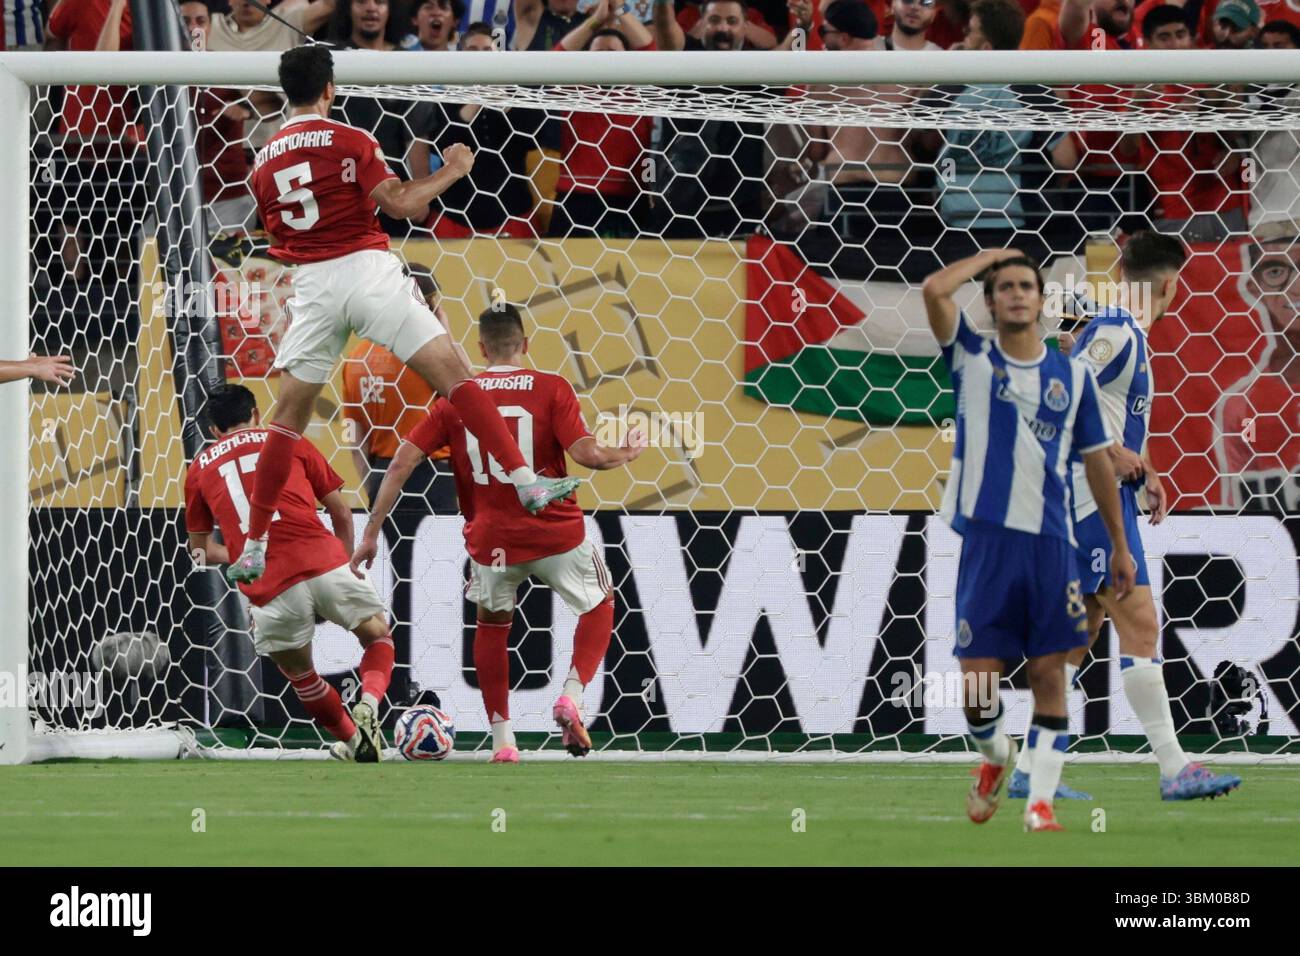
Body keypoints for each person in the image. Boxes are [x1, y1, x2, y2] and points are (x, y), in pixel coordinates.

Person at [231, 45, 580, 585]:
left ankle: (254, 543)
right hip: (369, 272)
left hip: (314, 285)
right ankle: (524, 480)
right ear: (330, 89)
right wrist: (454, 171)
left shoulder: (264, 158)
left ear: (285, 92)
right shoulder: (349, 138)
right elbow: (400, 203)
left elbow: (276, 233)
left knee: (286, 417)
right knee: (458, 378)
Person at [352, 304, 647, 763]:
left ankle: (503, 741)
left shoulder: (455, 398)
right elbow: (588, 454)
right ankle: (570, 695)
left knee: (492, 628)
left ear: (481, 348)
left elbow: (402, 462)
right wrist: (624, 453)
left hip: (493, 541)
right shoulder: (551, 387)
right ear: (525, 344)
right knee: (600, 604)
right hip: (556, 533)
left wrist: (371, 531)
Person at [1013, 231, 1243, 801]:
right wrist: (1113, 455)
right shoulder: (1116, 331)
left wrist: (1145, 472)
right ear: (1171, 284)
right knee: (1139, 622)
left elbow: (1100, 409)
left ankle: (1031, 773)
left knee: (1081, 636)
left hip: (1101, 496)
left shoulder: (1118, 330)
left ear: (1122, 271)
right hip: (1090, 500)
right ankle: (1174, 767)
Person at [922, 248, 1135, 832]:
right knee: (979, 687)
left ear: (1043, 301)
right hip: (987, 544)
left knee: (1049, 674)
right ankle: (994, 757)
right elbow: (934, 291)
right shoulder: (971, 357)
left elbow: (1097, 463)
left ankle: (1039, 805)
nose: (1017, 293)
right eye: (1006, 287)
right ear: (991, 302)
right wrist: (992, 256)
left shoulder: (1073, 375)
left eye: (1026, 285)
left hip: (1051, 544)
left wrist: (1119, 544)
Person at [184, 385, 393, 763]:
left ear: (213, 431)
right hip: (323, 559)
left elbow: (198, 550)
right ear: (257, 414)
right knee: (378, 637)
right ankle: (368, 703)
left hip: (270, 583)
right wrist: (343, 564)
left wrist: (244, 555)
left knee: (301, 675)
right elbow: (342, 513)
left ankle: (352, 741)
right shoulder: (288, 440)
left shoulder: (199, 468)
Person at [341, 268, 456, 511]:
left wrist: (373, 484)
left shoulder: (355, 359)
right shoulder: (426, 354)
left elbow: (353, 436)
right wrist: (446, 335)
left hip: (382, 475)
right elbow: (470, 396)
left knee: (390, 550)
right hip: (433, 476)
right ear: (428, 304)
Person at [421, 22, 546, 238]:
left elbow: (532, 138)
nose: (480, 57)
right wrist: (478, 96)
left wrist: (500, 97)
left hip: (514, 216)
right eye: (472, 50)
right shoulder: (444, 98)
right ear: (460, 56)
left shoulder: (516, 97)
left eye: (487, 51)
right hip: (454, 217)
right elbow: (442, 144)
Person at [550, 3, 656, 238]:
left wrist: (620, 9)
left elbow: (650, 47)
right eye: (598, 52)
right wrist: (596, 20)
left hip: (630, 197)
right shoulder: (575, 90)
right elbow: (557, 58)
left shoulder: (641, 89)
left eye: (613, 52)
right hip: (578, 196)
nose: (606, 58)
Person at [1216, 218, 1300, 510]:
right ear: (1254, 286)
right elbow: (1243, 515)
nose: (1296, 287)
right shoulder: (1240, 404)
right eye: (1276, 271)